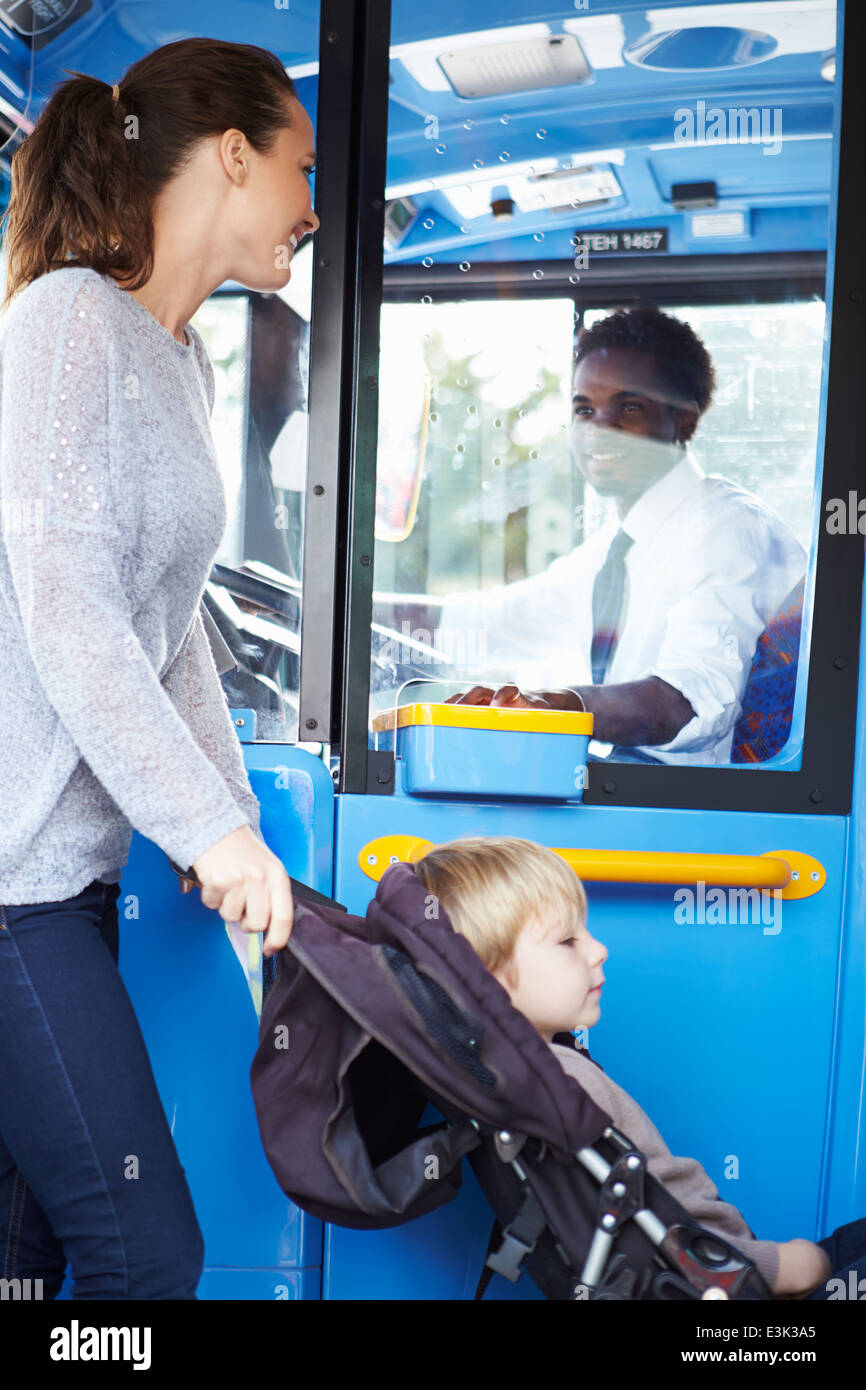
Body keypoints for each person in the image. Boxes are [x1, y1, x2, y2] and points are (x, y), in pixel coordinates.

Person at [0, 38, 317, 1298]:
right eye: (299, 168)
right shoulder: (64, 324)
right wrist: (207, 824)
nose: (308, 206)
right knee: (146, 1255)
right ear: (232, 157)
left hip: (63, 885)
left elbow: (165, 621)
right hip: (13, 891)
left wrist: (220, 823)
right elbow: (71, 616)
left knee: (29, 1260)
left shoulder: (176, 353)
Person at [414, 836, 866, 1299]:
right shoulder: (560, 1082)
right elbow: (659, 1247)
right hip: (727, 1275)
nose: (599, 949)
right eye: (568, 940)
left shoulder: (516, 1077)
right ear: (483, 976)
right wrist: (787, 1265)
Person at [438, 307, 806, 766]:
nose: (599, 429)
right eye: (584, 410)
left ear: (683, 421)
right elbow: (489, 621)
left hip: (699, 821)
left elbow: (686, 701)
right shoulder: (607, 554)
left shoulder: (727, 527)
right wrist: (353, 612)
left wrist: (557, 705)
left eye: (629, 407)